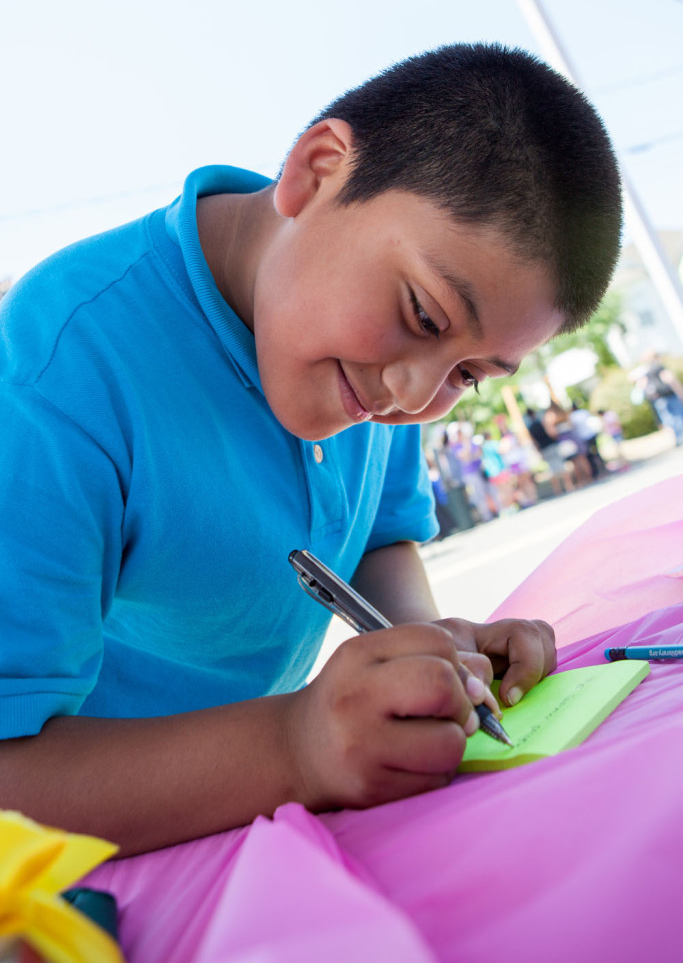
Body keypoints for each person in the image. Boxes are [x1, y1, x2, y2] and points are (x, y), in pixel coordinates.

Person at [0, 43, 622, 857]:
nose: (411, 396)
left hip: (250, 830)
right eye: (424, 316)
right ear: (317, 170)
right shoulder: (57, 371)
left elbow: (375, 533)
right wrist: (294, 746)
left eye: (469, 373)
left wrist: (433, 655)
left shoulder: (362, 360)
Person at [632, 351, 683, 446]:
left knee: (667, 418)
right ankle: (681, 436)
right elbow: (670, 379)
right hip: (668, 394)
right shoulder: (659, 366)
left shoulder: (646, 370)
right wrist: (680, 391)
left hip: (657, 398)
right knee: (678, 415)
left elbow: (642, 384)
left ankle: (677, 437)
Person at [525, 408, 575, 496]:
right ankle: (569, 485)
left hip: (544, 448)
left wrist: (539, 451)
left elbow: (534, 441)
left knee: (551, 469)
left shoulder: (531, 428)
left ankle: (557, 490)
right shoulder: (542, 422)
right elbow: (552, 432)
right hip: (551, 445)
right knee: (561, 465)